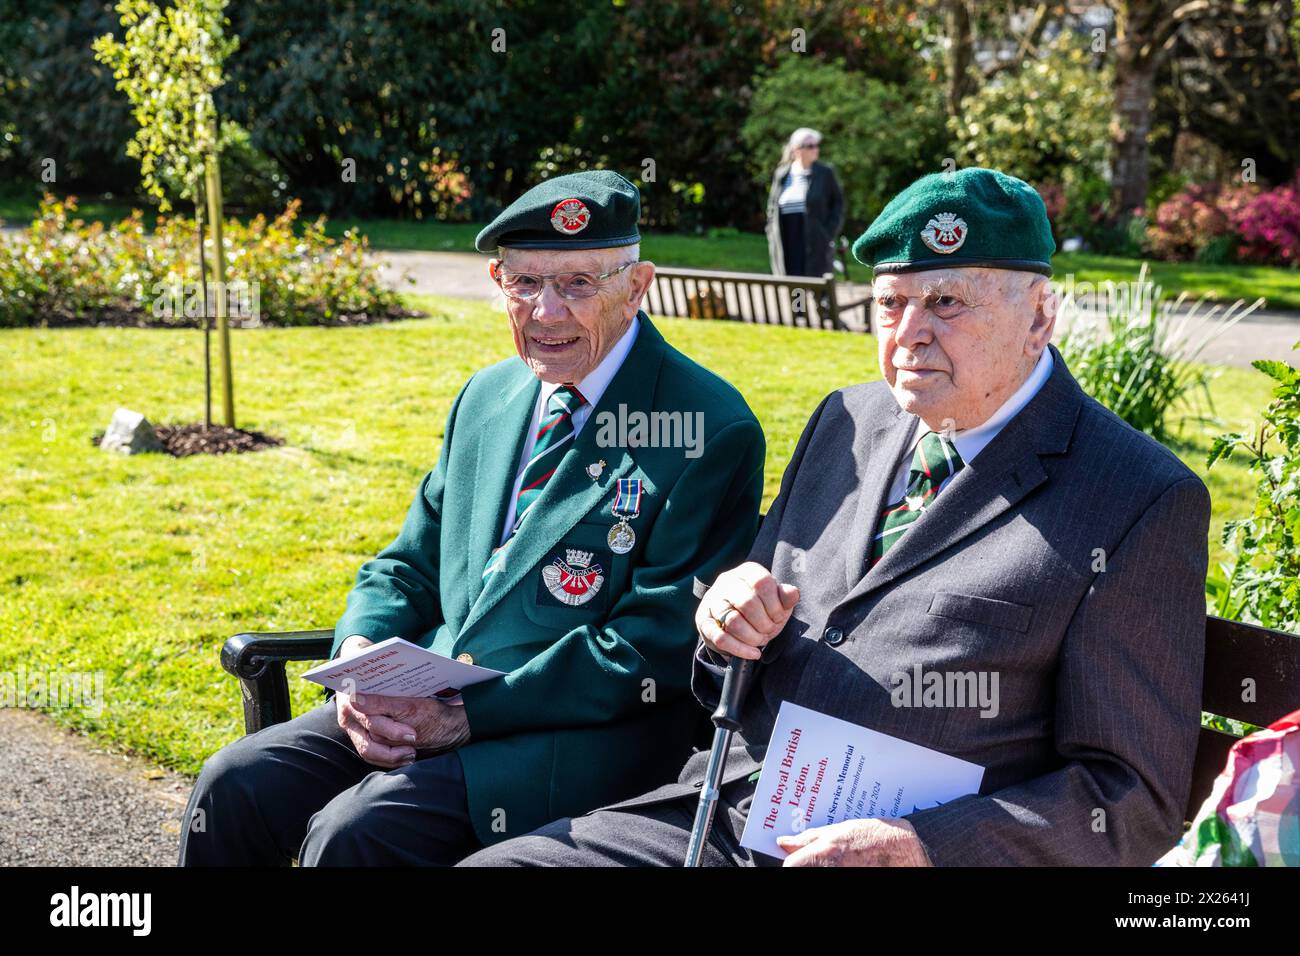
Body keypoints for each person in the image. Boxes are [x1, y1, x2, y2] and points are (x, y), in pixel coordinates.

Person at [459, 167, 1211, 867]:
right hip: (717, 814)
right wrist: (725, 622)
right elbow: (738, 642)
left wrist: (923, 846)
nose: (910, 331)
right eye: (890, 302)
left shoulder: (1135, 497)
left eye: (946, 302)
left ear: (1039, 316)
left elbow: (1132, 801)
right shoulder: (849, 420)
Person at [178, 170, 766, 866]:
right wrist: (358, 659)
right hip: (422, 701)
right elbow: (408, 564)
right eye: (523, 283)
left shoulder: (705, 425)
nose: (546, 313)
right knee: (235, 784)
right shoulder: (487, 396)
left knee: (357, 832)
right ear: (497, 279)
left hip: (574, 740)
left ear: (637, 286)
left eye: (577, 284)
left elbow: (651, 647)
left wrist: (463, 716)